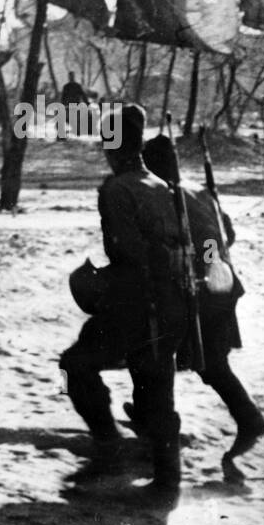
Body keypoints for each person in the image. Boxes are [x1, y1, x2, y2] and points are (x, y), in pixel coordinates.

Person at [59, 104, 187, 493]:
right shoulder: (162, 185)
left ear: (113, 148)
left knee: (77, 365)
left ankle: (109, 446)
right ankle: (167, 479)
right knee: (156, 386)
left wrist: (96, 282)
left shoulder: (117, 190)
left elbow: (128, 254)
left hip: (134, 304)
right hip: (170, 303)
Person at [139, 135, 264, 482]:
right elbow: (227, 234)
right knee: (206, 362)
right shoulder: (199, 192)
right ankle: (246, 419)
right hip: (220, 287)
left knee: (167, 357)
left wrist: (201, 264)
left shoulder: (169, 198)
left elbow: (206, 241)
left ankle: (248, 420)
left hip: (204, 292)